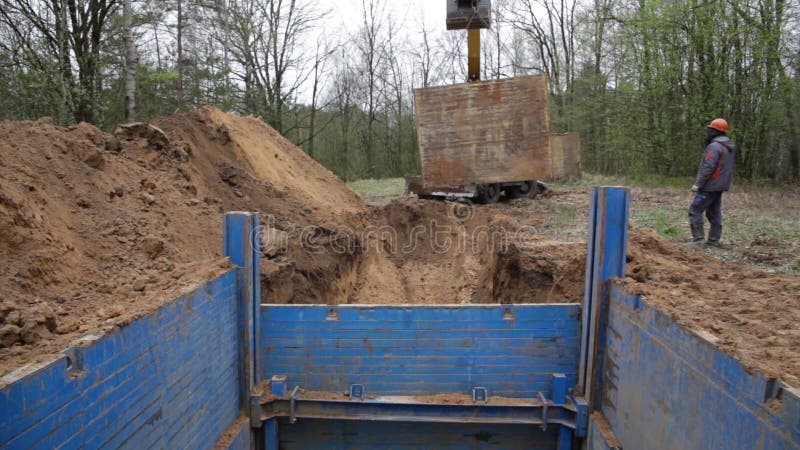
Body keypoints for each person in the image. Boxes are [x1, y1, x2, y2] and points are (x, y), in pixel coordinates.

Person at [689, 118, 736, 246]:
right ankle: (713, 241)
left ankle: (698, 240)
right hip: (720, 186)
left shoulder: (714, 146)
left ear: (716, 131)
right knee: (714, 212)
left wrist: (698, 184)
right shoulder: (728, 146)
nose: (708, 131)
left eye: (711, 129)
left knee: (695, 210)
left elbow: (708, 166)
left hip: (709, 186)